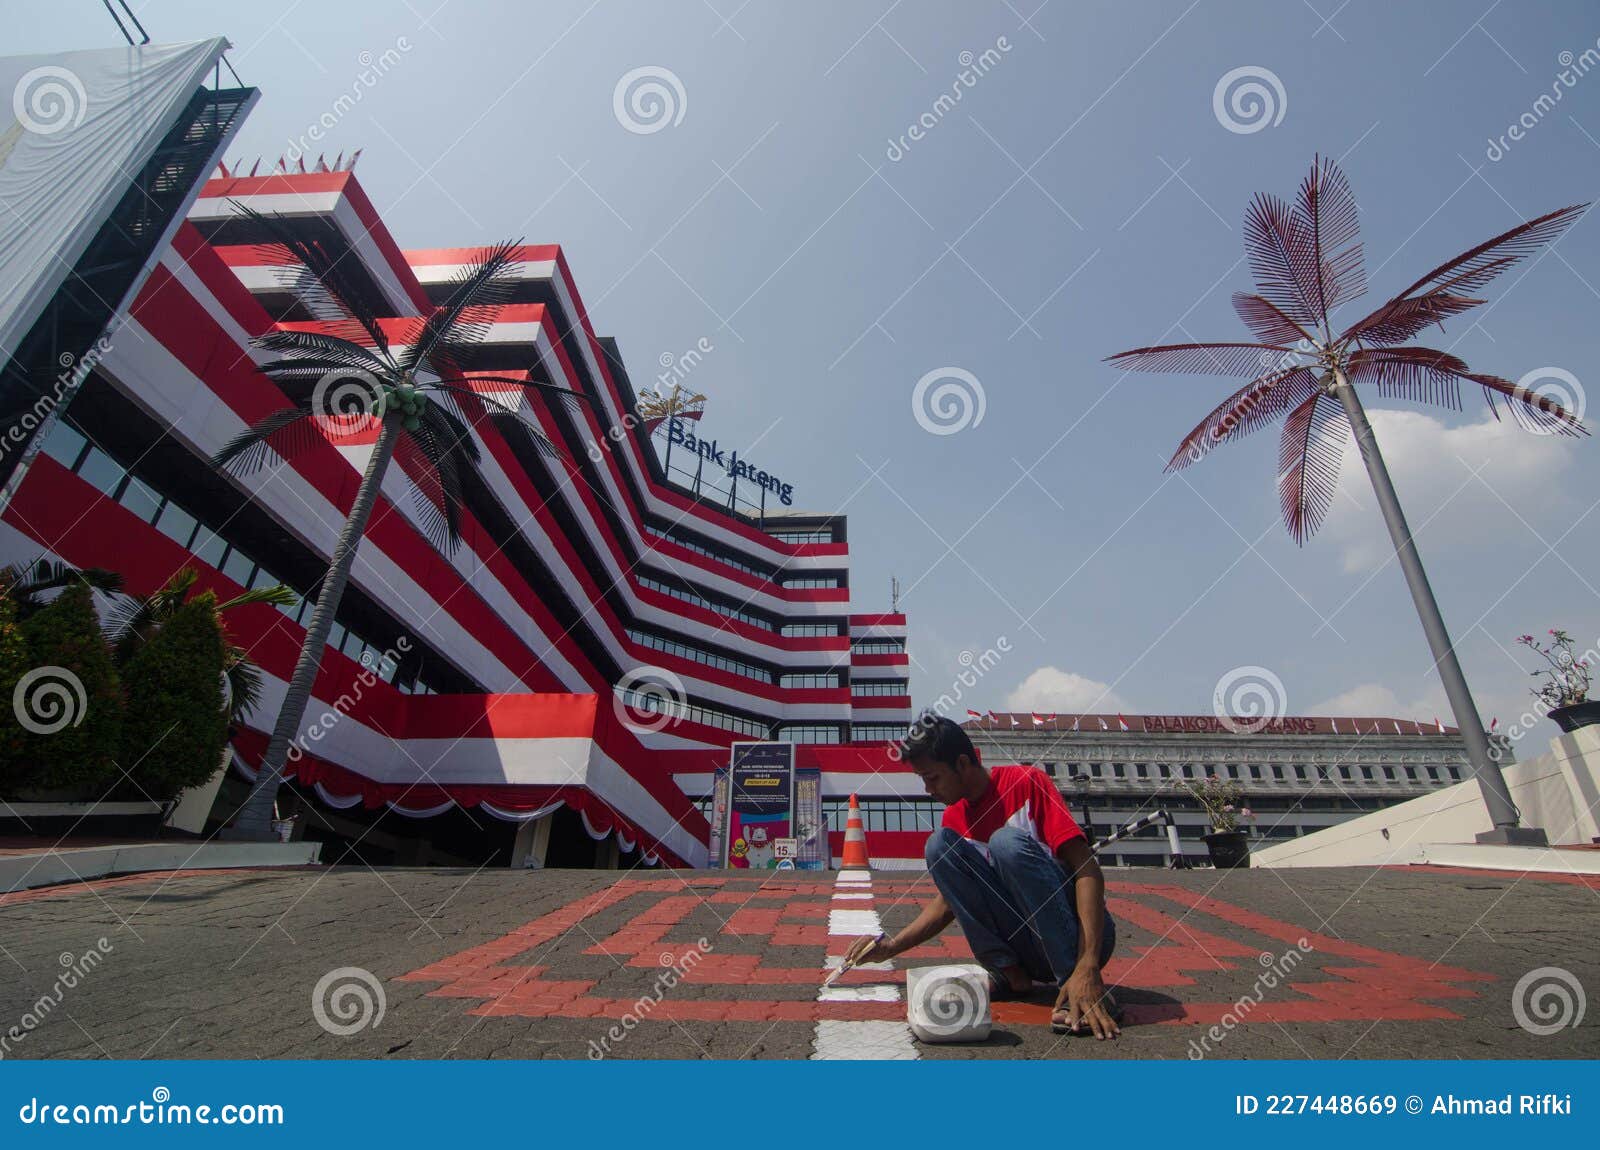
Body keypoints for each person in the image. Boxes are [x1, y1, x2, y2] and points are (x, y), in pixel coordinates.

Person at [842, 715, 1121, 1039]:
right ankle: (1009, 972)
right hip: (1028, 950)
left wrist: (1088, 964)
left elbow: (1087, 870)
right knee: (938, 846)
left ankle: (1077, 986)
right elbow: (949, 903)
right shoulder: (954, 817)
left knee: (1006, 843)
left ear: (962, 764)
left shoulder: (1028, 783)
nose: (928, 789)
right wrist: (889, 947)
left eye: (932, 778)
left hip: (1077, 939)